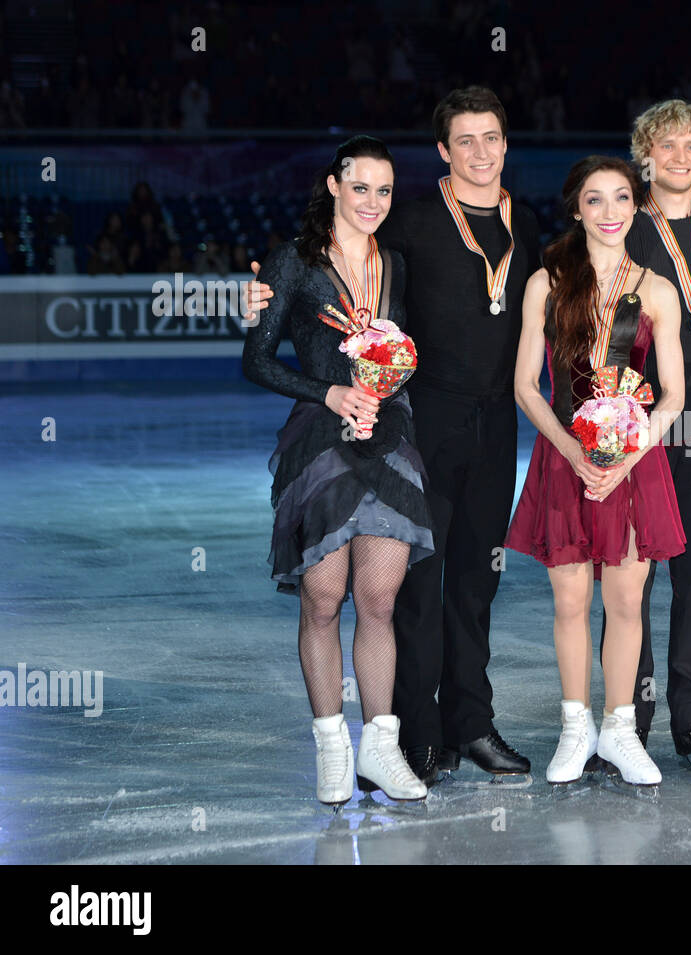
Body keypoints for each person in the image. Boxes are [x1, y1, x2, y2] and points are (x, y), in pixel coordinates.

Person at [244, 87, 541, 786]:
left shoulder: (521, 223)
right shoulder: (407, 221)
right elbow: (316, 266)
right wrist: (254, 290)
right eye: (462, 140)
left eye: (489, 138)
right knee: (399, 589)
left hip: (487, 423)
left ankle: (469, 723)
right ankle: (416, 734)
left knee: (470, 582)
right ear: (442, 151)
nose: (478, 152)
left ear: (505, 143)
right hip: (412, 421)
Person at [241, 135, 434, 804]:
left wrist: (382, 397)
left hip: (386, 434)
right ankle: (331, 743)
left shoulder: (397, 264)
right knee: (324, 598)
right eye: (359, 187)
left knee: (379, 598)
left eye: (383, 189)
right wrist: (328, 393)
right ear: (333, 186)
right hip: (320, 437)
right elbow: (256, 359)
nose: (372, 201)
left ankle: (381, 747)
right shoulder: (294, 262)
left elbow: (401, 351)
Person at [505, 156, 686, 786]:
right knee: (571, 599)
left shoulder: (659, 289)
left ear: (636, 205)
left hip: (635, 467)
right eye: (594, 200)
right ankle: (575, 728)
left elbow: (673, 397)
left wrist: (626, 456)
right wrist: (576, 451)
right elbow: (527, 386)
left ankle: (620, 730)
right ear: (576, 208)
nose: (609, 213)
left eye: (620, 199)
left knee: (626, 599)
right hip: (565, 457)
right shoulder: (546, 281)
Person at [609, 99, 691, 766]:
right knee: (629, 578)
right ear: (646, 154)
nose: (681, 156)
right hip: (638, 422)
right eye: (668, 145)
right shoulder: (623, 225)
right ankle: (624, 717)